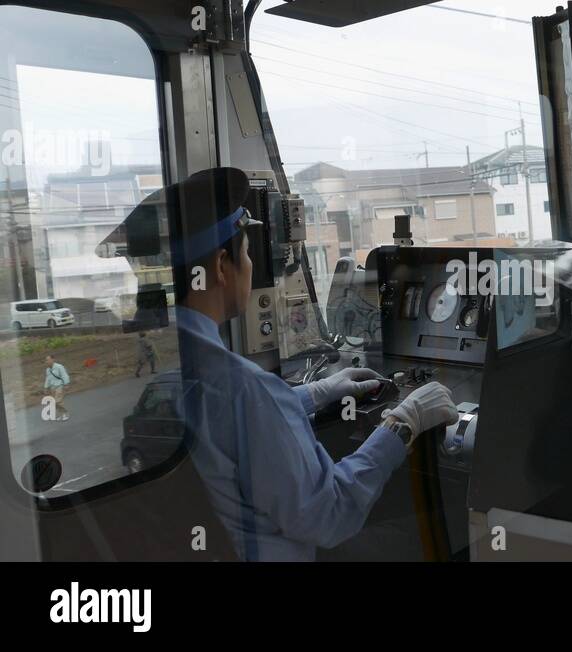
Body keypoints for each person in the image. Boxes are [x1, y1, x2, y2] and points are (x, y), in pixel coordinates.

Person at [119, 168, 458, 561]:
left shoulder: (166, 369)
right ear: (220, 265)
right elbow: (331, 514)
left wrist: (313, 394)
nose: (249, 264)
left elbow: (227, 423)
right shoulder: (244, 389)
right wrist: (402, 423)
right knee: (427, 530)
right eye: (247, 253)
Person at [43, 354, 71, 421]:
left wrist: (66, 384)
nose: (47, 361)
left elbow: (64, 375)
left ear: (53, 360)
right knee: (54, 402)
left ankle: (66, 413)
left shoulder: (59, 367)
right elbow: (48, 379)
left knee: (58, 401)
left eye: (48, 360)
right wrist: (46, 387)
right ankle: (61, 414)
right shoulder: (48, 370)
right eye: (46, 360)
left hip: (59, 386)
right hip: (52, 387)